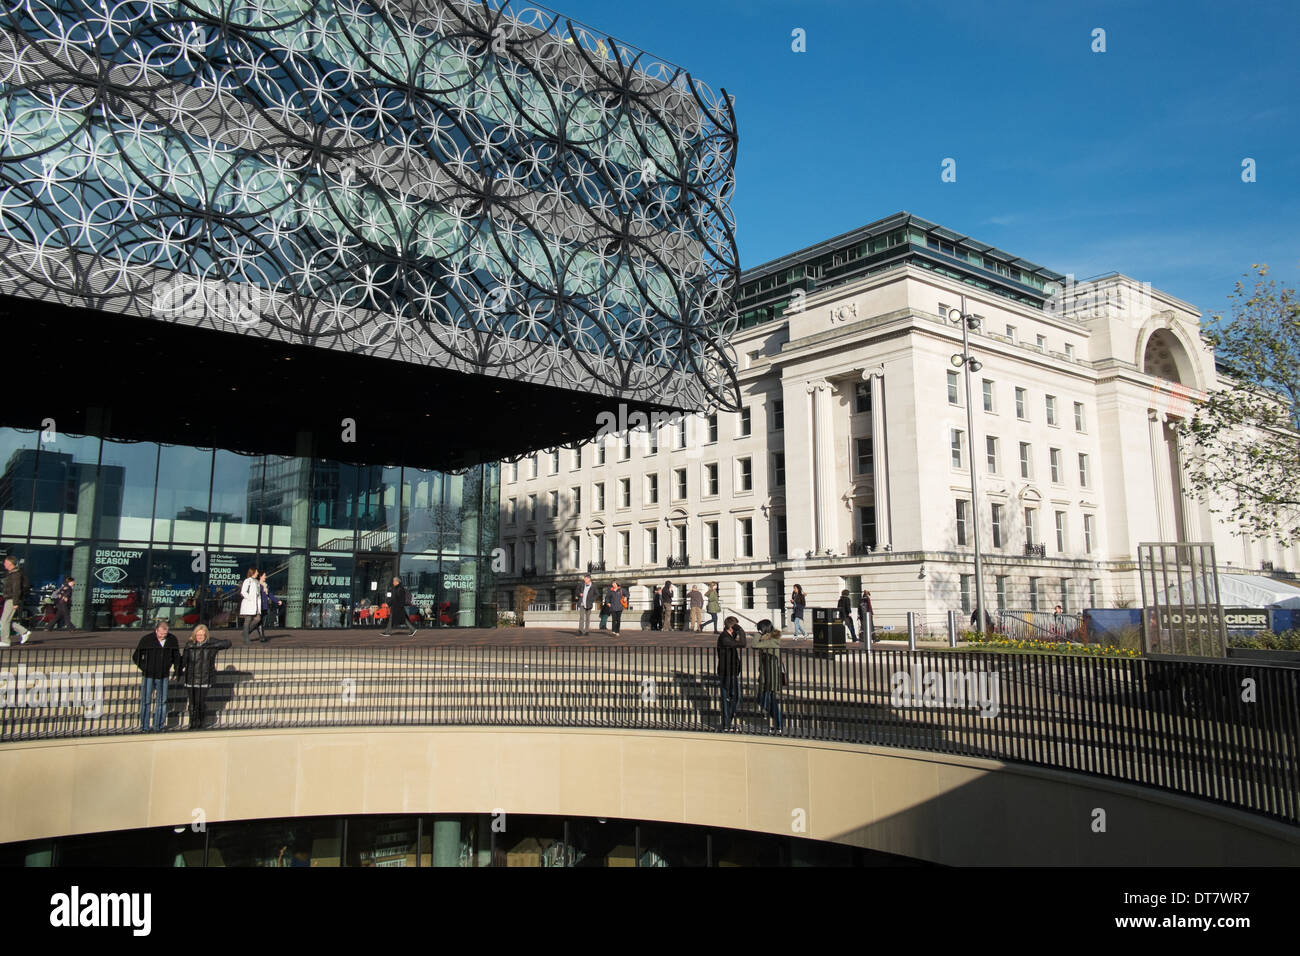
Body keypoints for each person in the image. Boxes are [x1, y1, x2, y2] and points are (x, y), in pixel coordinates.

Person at [180, 624, 231, 730]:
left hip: (204, 677)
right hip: (191, 677)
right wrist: (178, 671)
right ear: (195, 635)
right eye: (198, 635)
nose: (200, 637)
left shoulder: (210, 644)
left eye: (202, 635)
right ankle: (192, 722)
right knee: (192, 702)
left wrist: (212, 645)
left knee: (200, 701)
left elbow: (227, 643)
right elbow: (184, 660)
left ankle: (200, 721)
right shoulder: (190, 645)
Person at [132, 619, 180, 732]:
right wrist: (145, 667)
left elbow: (176, 656)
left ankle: (158, 725)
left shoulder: (172, 640)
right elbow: (136, 656)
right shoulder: (147, 639)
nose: (163, 636)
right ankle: (144, 726)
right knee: (146, 701)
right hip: (148, 675)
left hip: (163, 674)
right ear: (156, 630)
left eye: (165, 634)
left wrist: (176, 670)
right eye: (161, 633)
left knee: (162, 701)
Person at [716, 616, 746, 730]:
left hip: (732, 670)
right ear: (731, 626)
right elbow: (742, 644)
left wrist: (737, 631)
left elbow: (741, 643)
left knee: (735, 697)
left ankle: (728, 722)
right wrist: (741, 631)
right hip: (726, 672)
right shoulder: (724, 638)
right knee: (727, 697)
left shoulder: (730, 636)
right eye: (735, 626)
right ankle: (726, 723)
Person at [753, 618, 783, 733]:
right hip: (765, 674)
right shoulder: (767, 639)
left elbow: (755, 644)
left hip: (772, 674)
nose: (759, 631)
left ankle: (778, 725)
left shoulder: (773, 640)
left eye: (760, 629)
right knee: (762, 700)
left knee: (770, 700)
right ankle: (777, 723)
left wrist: (758, 634)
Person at [0, 555, 32, 647]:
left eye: (5, 562)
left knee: (4, 620)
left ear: (10, 563)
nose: (4, 564)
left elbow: (16, 589)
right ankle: (24, 632)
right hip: (10, 598)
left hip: (12, 599)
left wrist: (15, 602)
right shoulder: (12, 573)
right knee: (5, 620)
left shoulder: (15, 574)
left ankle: (5, 641)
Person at [239, 568, 261, 645]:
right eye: (257, 572)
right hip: (249, 603)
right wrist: (250, 598)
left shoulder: (257, 581)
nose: (258, 573)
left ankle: (245, 632)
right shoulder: (248, 580)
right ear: (253, 572)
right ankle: (246, 639)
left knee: (257, 619)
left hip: (256, 604)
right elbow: (243, 591)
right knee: (247, 620)